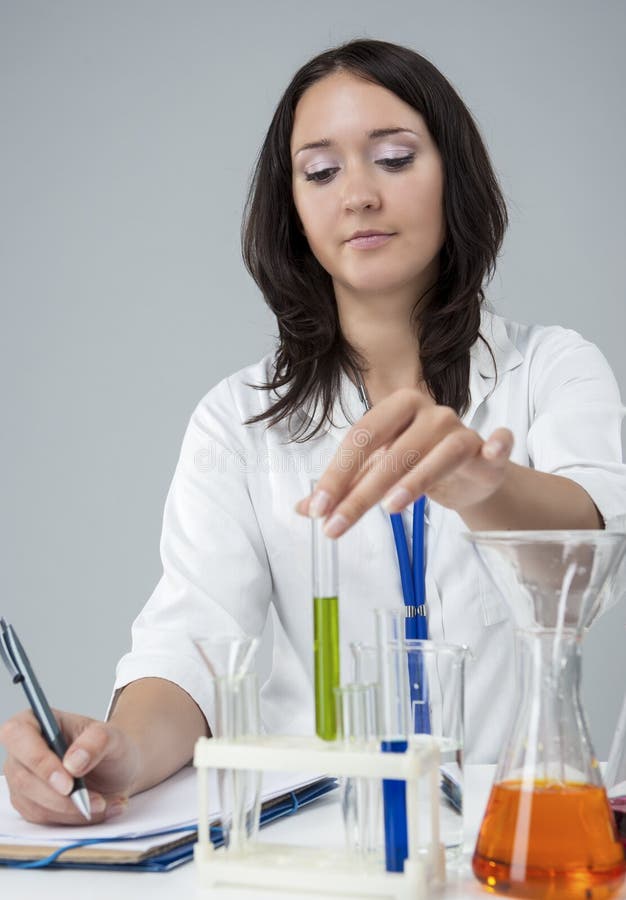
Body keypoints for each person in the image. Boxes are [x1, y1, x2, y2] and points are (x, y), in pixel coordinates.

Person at [2, 39, 624, 826]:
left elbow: (595, 554)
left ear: (454, 177)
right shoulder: (239, 422)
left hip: (514, 829)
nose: (357, 195)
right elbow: (191, 643)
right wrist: (117, 752)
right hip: (325, 836)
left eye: (394, 158)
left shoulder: (553, 370)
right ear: (292, 210)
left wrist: (481, 482)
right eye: (321, 172)